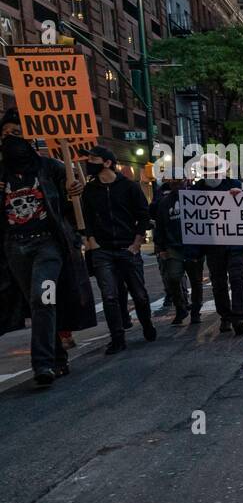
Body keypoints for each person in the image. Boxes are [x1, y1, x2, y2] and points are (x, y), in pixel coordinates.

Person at [0, 110, 95, 385]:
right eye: (6, 135)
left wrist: (75, 190)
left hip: (48, 246)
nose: (11, 139)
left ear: (29, 138)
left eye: (17, 134)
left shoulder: (49, 167)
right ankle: (56, 358)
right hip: (14, 249)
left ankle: (42, 364)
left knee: (44, 297)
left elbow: (71, 199)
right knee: (36, 304)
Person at [81, 146, 156, 353]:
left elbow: (143, 216)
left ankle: (147, 324)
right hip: (102, 250)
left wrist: (136, 244)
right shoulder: (89, 190)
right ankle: (117, 338)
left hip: (127, 247)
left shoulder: (129, 187)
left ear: (107, 162)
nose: (90, 162)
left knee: (139, 294)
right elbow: (86, 218)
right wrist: (92, 241)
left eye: (94, 159)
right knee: (109, 296)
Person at [189, 153, 243, 334]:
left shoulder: (235, 184)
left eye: (215, 170)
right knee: (218, 282)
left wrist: (241, 196)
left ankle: (239, 316)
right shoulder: (195, 191)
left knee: (237, 277)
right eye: (208, 171)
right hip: (212, 245)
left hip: (235, 244)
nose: (212, 174)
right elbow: (192, 221)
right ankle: (225, 316)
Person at [150, 165, 193, 325]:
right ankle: (180, 307)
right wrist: (160, 247)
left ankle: (194, 310)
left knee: (195, 280)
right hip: (173, 245)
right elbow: (159, 223)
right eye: (173, 180)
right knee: (173, 277)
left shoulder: (195, 196)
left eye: (179, 179)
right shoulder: (162, 199)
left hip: (192, 245)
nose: (176, 183)